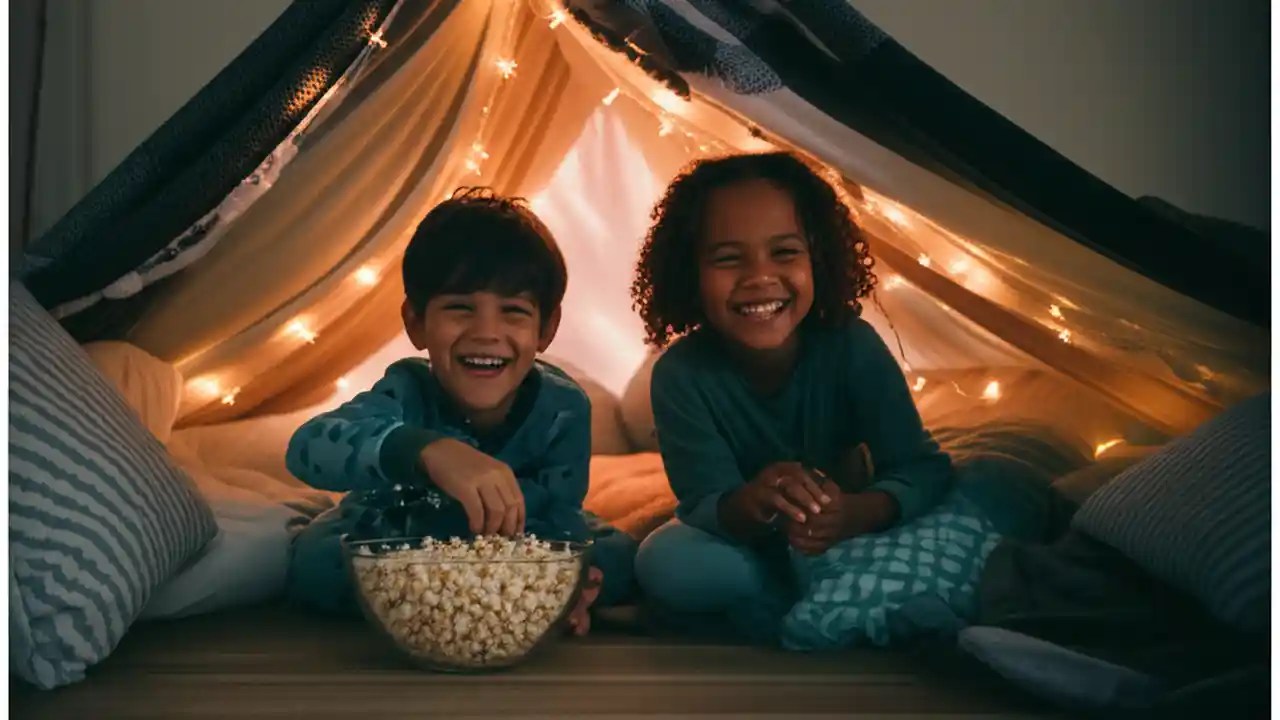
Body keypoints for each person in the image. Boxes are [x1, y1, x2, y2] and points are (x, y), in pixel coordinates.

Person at [629, 152, 952, 644]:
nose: (760, 277)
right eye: (728, 258)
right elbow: (702, 505)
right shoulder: (680, 373)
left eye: (784, 253)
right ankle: (823, 602)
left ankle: (800, 603)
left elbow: (920, 468)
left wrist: (856, 513)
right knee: (663, 560)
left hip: (855, 533)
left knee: (988, 490)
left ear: (817, 258)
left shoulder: (852, 346)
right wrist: (753, 501)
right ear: (688, 272)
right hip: (748, 548)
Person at [285, 188, 637, 634]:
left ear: (546, 329)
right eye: (460, 309)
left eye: (513, 312)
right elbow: (307, 446)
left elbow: (561, 516)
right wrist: (428, 451)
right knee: (316, 563)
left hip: (518, 540)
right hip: (403, 529)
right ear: (416, 323)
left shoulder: (563, 409)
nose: (486, 332)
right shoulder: (406, 390)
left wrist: (565, 584)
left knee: (620, 560)